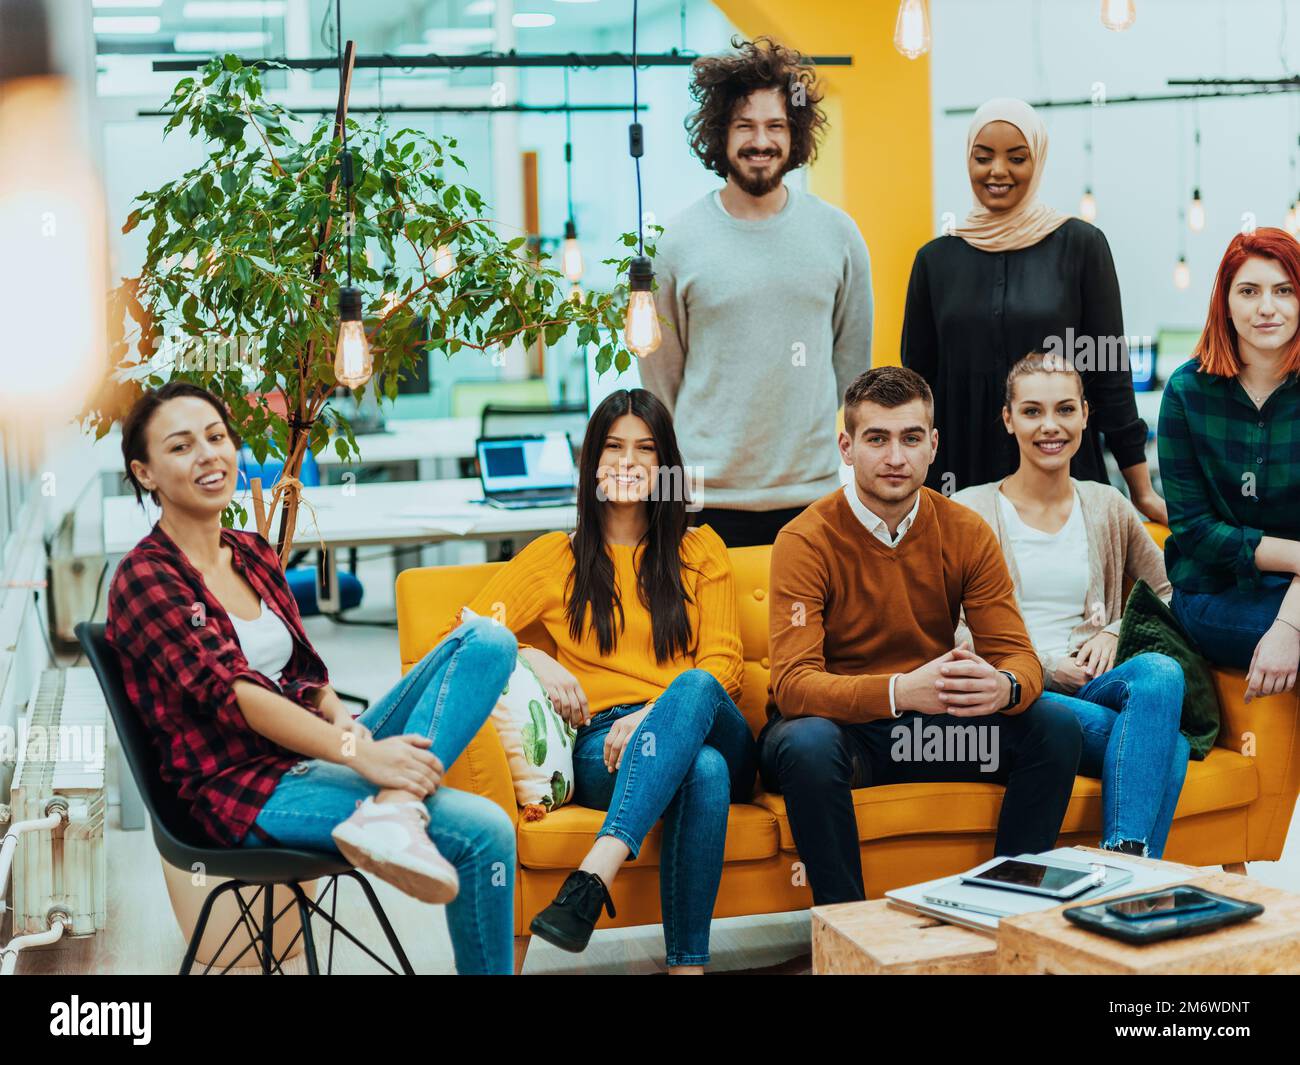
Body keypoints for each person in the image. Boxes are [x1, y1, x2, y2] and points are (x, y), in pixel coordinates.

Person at [105, 382, 518, 975]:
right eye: (181, 446)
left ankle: (395, 808)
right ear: (145, 473)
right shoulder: (147, 577)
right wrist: (359, 754)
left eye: (218, 437)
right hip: (244, 785)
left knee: (486, 641)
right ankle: (392, 807)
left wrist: (350, 729)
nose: (209, 455)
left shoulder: (250, 551)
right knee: (485, 831)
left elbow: (305, 676)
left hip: (311, 750)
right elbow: (241, 697)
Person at [434, 388, 757, 974]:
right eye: (613, 447)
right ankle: (689, 967)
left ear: (665, 468)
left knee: (697, 688)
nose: (628, 462)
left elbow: (724, 668)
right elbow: (462, 629)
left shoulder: (700, 550)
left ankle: (594, 871)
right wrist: (534, 658)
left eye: (645, 449)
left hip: (703, 720)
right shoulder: (555, 557)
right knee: (701, 772)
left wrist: (650, 717)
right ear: (591, 462)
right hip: (602, 747)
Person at [758, 366, 1081, 905]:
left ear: (933, 446)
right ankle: (849, 931)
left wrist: (1005, 686)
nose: (895, 457)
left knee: (1054, 725)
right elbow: (793, 687)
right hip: (844, 736)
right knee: (807, 743)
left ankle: (1005, 909)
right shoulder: (804, 540)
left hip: (931, 732)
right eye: (877, 439)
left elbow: (1018, 656)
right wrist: (900, 691)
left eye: (911, 439)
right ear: (847, 446)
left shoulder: (964, 531)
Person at [638, 36, 873, 549]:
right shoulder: (676, 242)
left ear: (796, 135)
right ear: (720, 134)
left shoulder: (838, 234)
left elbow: (852, 368)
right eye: (745, 126)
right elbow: (662, 378)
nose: (760, 141)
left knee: (806, 632)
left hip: (813, 497)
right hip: (704, 500)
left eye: (775, 126)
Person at [952, 352, 1189, 858]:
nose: (1050, 426)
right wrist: (1043, 667)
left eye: (1064, 409)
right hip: (1018, 694)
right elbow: (944, 625)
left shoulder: (1106, 504)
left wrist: (1113, 631)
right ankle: (1129, 869)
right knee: (1173, 748)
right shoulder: (966, 511)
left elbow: (1168, 590)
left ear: (1085, 413)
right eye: (1033, 411)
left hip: (1095, 689)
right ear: (1008, 419)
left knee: (1162, 672)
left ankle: (1121, 859)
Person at [901, 96, 1165, 522]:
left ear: (1038, 160)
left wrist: (1141, 490)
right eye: (983, 157)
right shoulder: (935, 261)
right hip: (959, 478)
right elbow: (917, 389)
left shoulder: (1082, 246)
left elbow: (1109, 375)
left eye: (1016, 158)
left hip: (1063, 471)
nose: (998, 171)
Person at [1160, 227, 1300, 704]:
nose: (1267, 307)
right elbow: (1195, 530)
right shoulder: (1186, 392)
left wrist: (1289, 624)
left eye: (1284, 290)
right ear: (1225, 301)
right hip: (1215, 594)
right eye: (1249, 291)